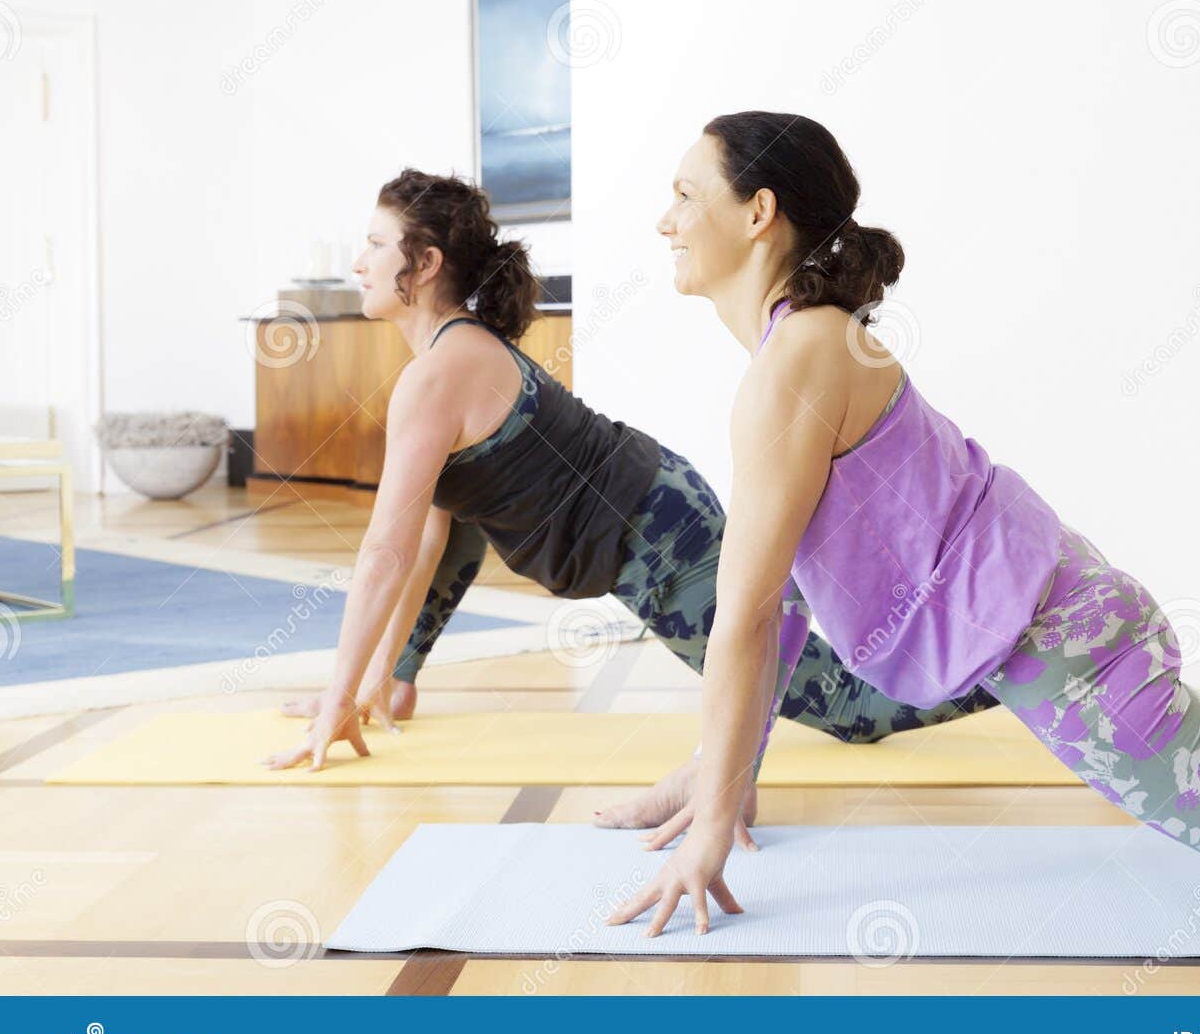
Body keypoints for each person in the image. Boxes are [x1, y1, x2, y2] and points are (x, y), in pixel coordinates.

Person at [606, 111, 1200, 937]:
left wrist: (718, 825)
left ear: (758, 211)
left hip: (1072, 657)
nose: (666, 219)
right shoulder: (806, 342)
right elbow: (795, 600)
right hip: (1066, 623)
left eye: (685, 193)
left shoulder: (793, 363)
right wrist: (717, 772)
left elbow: (748, 615)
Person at [260, 168, 1006, 841]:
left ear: (422, 266)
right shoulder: (451, 356)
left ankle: (1020, 654)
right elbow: (439, 538)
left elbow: (385, 553)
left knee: (851, 708)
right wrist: (387, 679)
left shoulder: (435, 377)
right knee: (820, 682)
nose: (358, 261)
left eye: (374, 243)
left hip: (659, 537)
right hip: (656, 504)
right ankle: (985, 643)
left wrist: (336, 698)